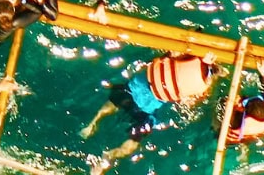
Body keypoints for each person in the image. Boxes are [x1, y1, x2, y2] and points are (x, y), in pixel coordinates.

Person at [82, 53, 215, 172]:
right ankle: (109, 156)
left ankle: (92, 123)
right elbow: (186, 100)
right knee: (134, 142)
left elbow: (158, 61)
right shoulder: (201, 85)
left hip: (135, 90)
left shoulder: (177, 55)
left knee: (115, 101)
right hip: (148, 109)